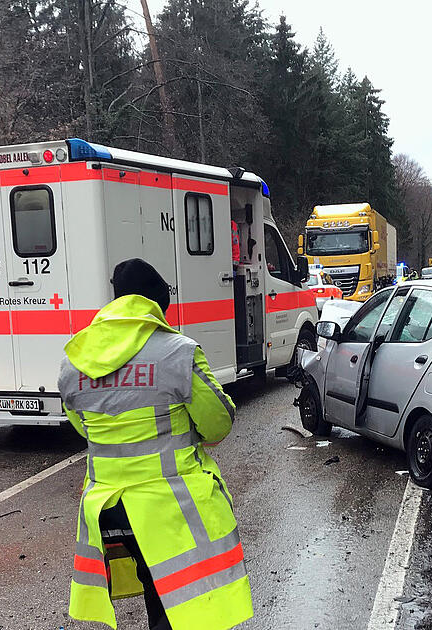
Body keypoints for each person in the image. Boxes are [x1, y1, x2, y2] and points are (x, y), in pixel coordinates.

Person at [59, 258, 253, 630]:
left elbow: (84, 428)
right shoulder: (178, 352)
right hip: (170, 504)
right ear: (157, 305)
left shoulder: (73, 362)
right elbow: (218, 423)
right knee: (182, 601)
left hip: (107, 507)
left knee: (154, 581)